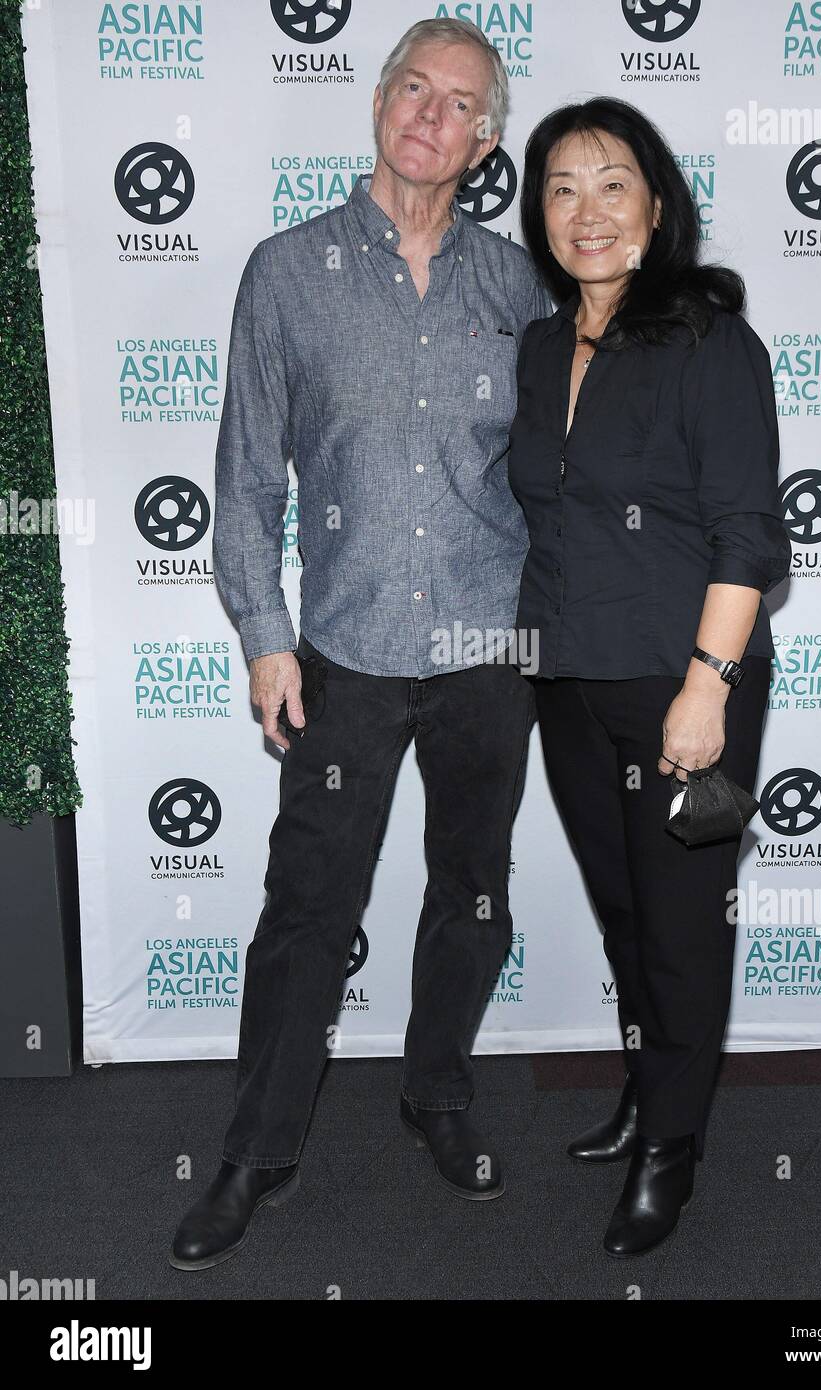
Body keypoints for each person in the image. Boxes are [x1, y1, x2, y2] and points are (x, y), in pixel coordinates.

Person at [169, 17, 551, 1271]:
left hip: (490, 650)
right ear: (378, 101)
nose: (426, 115)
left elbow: (562, 468)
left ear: (485, 141)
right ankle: (257, 1147)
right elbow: (244, 476)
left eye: (457, 104)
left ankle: (436, 1091)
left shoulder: (517, 285)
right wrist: (264, 635)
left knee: (474, 892)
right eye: (410, 88)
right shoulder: (286, 272)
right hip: (341, 652)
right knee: (307, 909)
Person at [507, 97, 791, 1257]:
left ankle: (674, 1144)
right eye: (562, 186)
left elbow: (747, 534)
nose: (586, 209)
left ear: (657, 205)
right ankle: (643, 1092)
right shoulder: (535, 345)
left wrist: (706, 685)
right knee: (624, 910)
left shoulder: (709, 342)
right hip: (567, 679)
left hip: (685, 681)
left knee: (680, 925)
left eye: (611, 182)